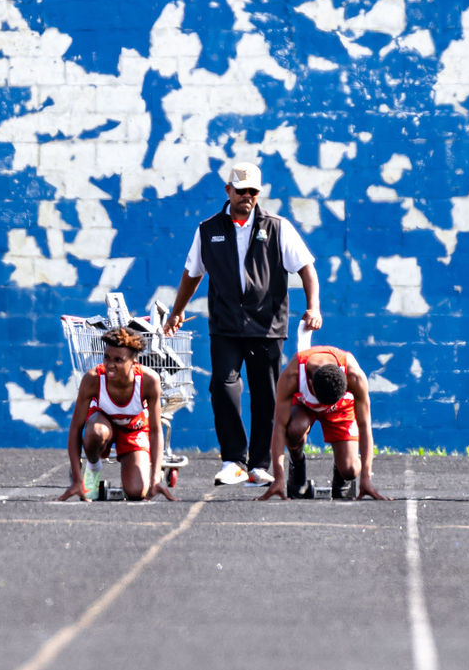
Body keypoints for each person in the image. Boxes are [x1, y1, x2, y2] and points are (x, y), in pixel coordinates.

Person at [164, 161, 321, 488]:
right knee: (223, 387)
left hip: (267, 326)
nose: (246, 196)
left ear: (258, 193)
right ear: (228, 191)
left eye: (252, 191)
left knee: (267, 395)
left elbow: (306, 267)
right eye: (241, 190)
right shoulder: (208, 229)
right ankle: (233, 460)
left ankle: (261, 464)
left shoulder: (277, 227)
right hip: (226, 325)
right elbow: (193, 273)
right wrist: (177, 311)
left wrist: (313, 307)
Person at [57, 327, 177, 502]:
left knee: (137, 492)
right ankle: (93, 469)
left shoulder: (149, 381)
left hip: (133, 429)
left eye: (118, 360)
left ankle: (138, 477)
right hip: (102, 424)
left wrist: (155, 478)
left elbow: (155, 431)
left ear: (134, 361)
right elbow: (76, 428)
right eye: (107, 357)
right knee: (96, 432)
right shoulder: (93, 379)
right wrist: (76, 480)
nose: (110, 365)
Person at [257, 344, 388, 501]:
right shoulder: (292, 376)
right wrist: (278, 478)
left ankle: (342, 465)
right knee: (294, 429)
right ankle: (296, 463)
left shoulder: (355, 377)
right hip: (304, 406)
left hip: (340, 409)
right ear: (310, 383)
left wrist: (366, 478)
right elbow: (279, 426)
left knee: (351, 470)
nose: (324, 408)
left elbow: (364, 426)